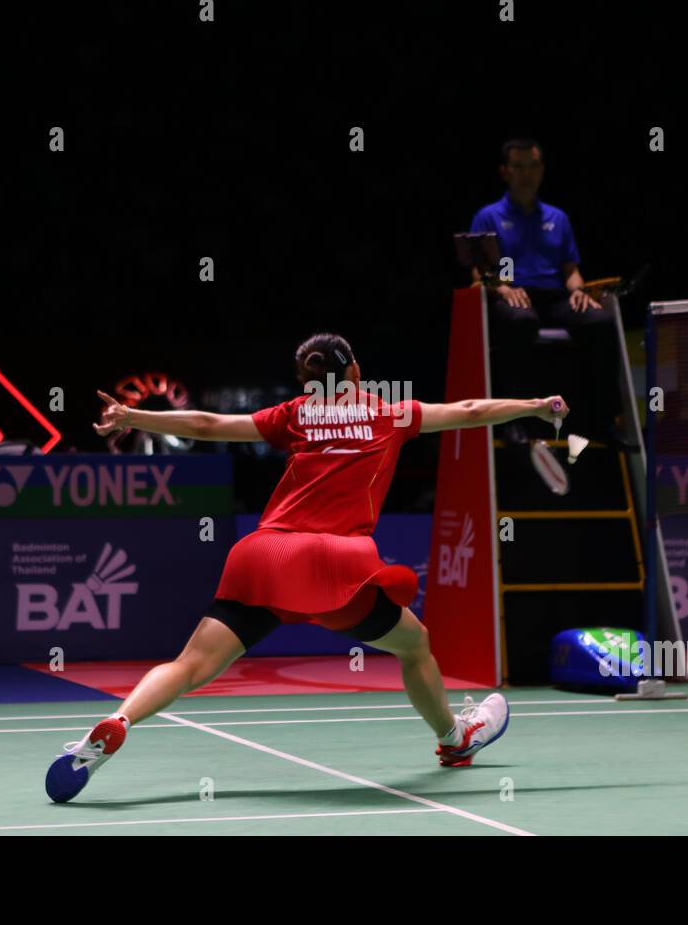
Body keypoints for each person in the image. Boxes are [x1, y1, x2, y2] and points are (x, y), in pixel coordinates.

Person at [44, 332, 569, 802]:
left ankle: (119, 718)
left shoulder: (296, 414)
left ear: (307, 382)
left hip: (262, 555)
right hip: (334, 564)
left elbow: (207, 424)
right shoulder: (392, 413)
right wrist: (536, 406)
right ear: (357, 372)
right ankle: (455, 740)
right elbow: (472, 410)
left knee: (189, 666)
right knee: (415, 646)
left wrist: (134, 417)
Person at [470, 138, 628, 449]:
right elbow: (479, 273)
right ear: (505, 172)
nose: (526, 174)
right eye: (518, 167)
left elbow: (570, 270)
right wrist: (503, 288)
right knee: (519, 321)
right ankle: (512, 421)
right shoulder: (488, 216)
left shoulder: (558, 218)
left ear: (542, 170)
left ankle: (603, 420)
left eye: (532, 167)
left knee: (600, 321)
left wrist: (580, 291)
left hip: (554, 297)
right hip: (512, 296)